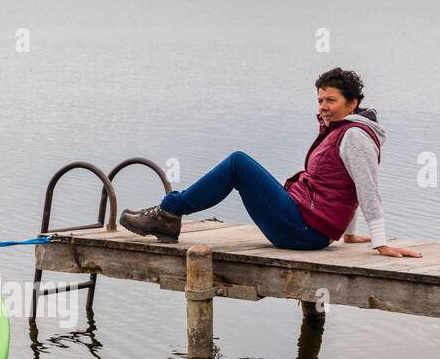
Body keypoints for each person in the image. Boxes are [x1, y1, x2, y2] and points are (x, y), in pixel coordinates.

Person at [120, 68, 422, 258]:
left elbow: (366, 187)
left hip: (306, 232)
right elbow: (343, 185)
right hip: (305, 222)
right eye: (319, 101)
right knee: (239, 165)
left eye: (330, 100)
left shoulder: (355, 136)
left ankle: (169, 212)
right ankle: (168, 213)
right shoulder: (340, 130)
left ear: (352, 102)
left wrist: (380, 242)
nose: (323, 108)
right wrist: (348, 232)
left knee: (238, 164)